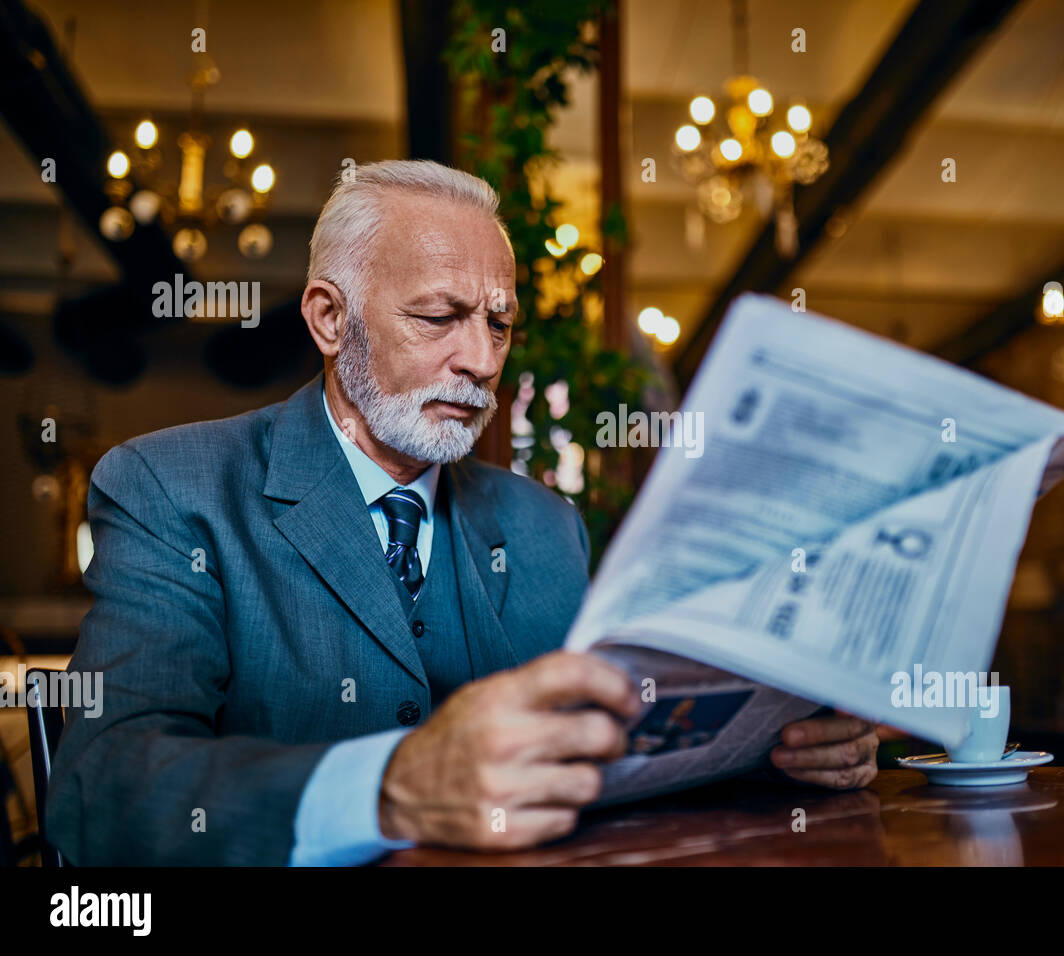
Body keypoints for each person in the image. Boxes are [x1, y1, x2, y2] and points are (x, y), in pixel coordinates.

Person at [47, 160, 880, 865]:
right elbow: (100, 788)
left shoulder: (547, 527)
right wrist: (389, 788)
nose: (482, 360)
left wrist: (785, 754)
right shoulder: (170, 485)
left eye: (499, 322)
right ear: (330, 319)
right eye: (439, 317)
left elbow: (612, 757)